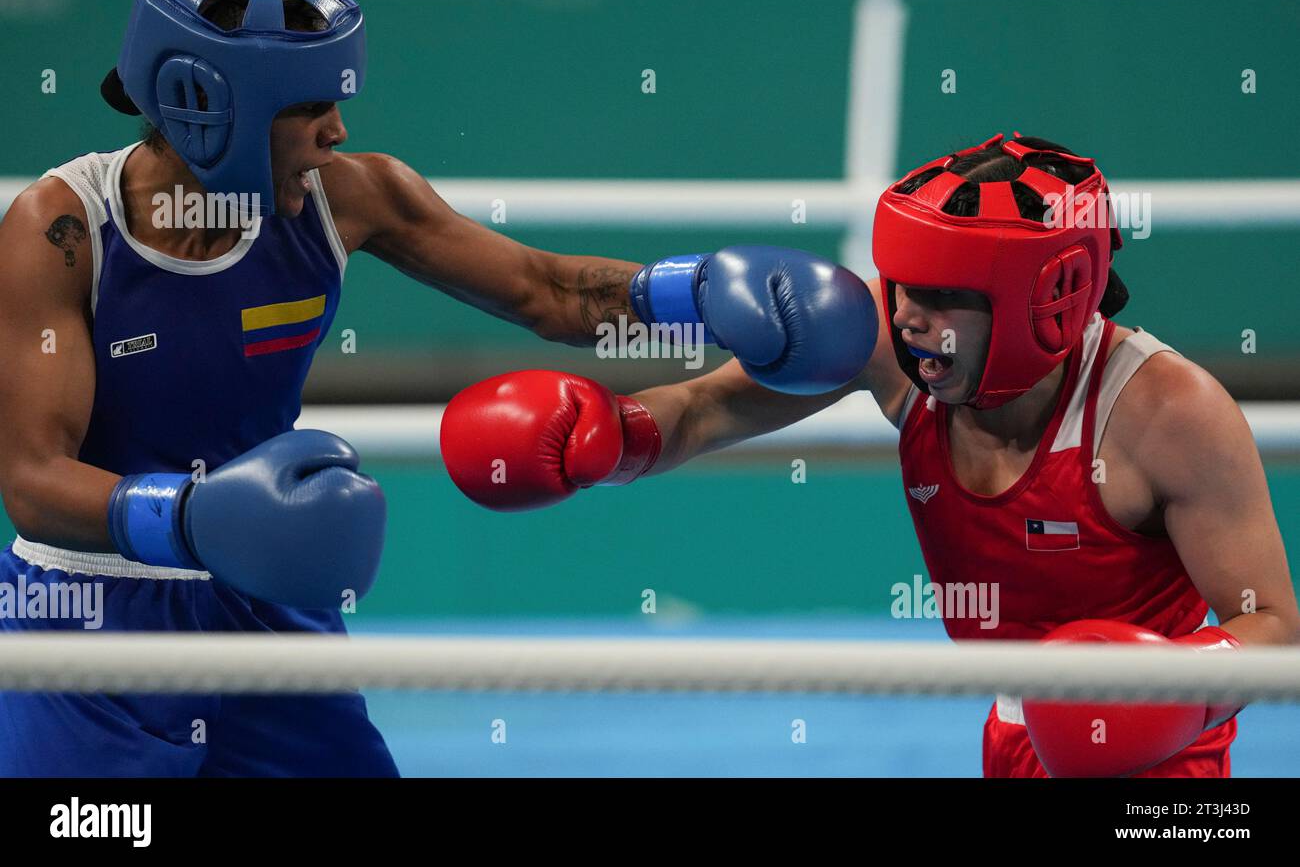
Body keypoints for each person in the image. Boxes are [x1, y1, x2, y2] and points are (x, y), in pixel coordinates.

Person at [0, 0, 874, 776]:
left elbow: (552, 294)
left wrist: (694, 299)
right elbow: (33, 479)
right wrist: (192, 515)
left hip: (259, 589)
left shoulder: (352, 198)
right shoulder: (63, 233)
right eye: (308, 110)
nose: (337, 132)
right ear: (207, 105)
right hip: (90, 609)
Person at [440, 133, 1300, 777]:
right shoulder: (897, 346)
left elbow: (1277, 628)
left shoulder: (1165, 412)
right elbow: (705, 409)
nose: (912, 318)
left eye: (945, 296)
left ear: (1050, 299)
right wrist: (615, 437)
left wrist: (1169, 683)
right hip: (1010, 729)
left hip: (1162, 763)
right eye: (906, 286)